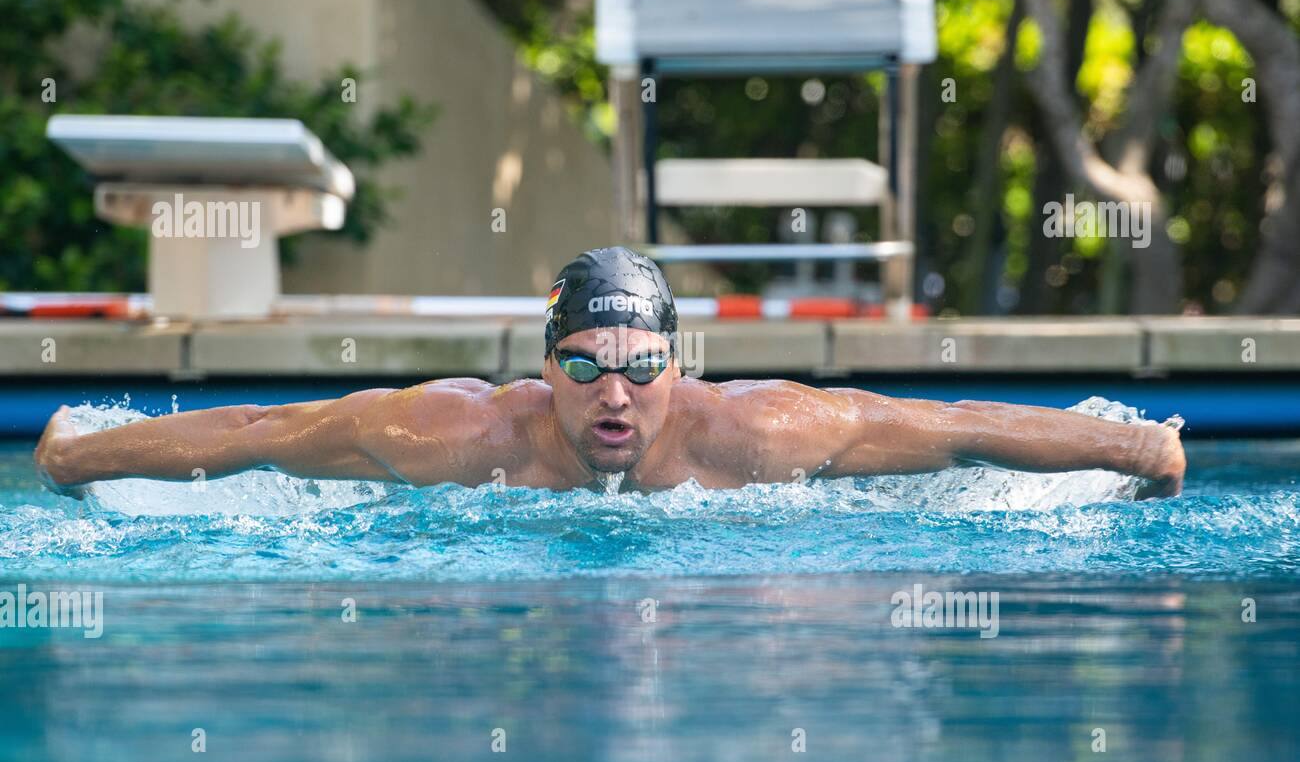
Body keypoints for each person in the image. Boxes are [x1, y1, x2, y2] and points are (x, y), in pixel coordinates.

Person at [34, 247, 1185, 498]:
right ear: (543, 368)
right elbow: (259, 430)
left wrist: (1135, 446)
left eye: (640, 367)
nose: (614, 393)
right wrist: (77, 451)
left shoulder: (756, 433)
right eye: (583, 365)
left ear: (679, 368)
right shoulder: (457, 435)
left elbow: (951, 425)